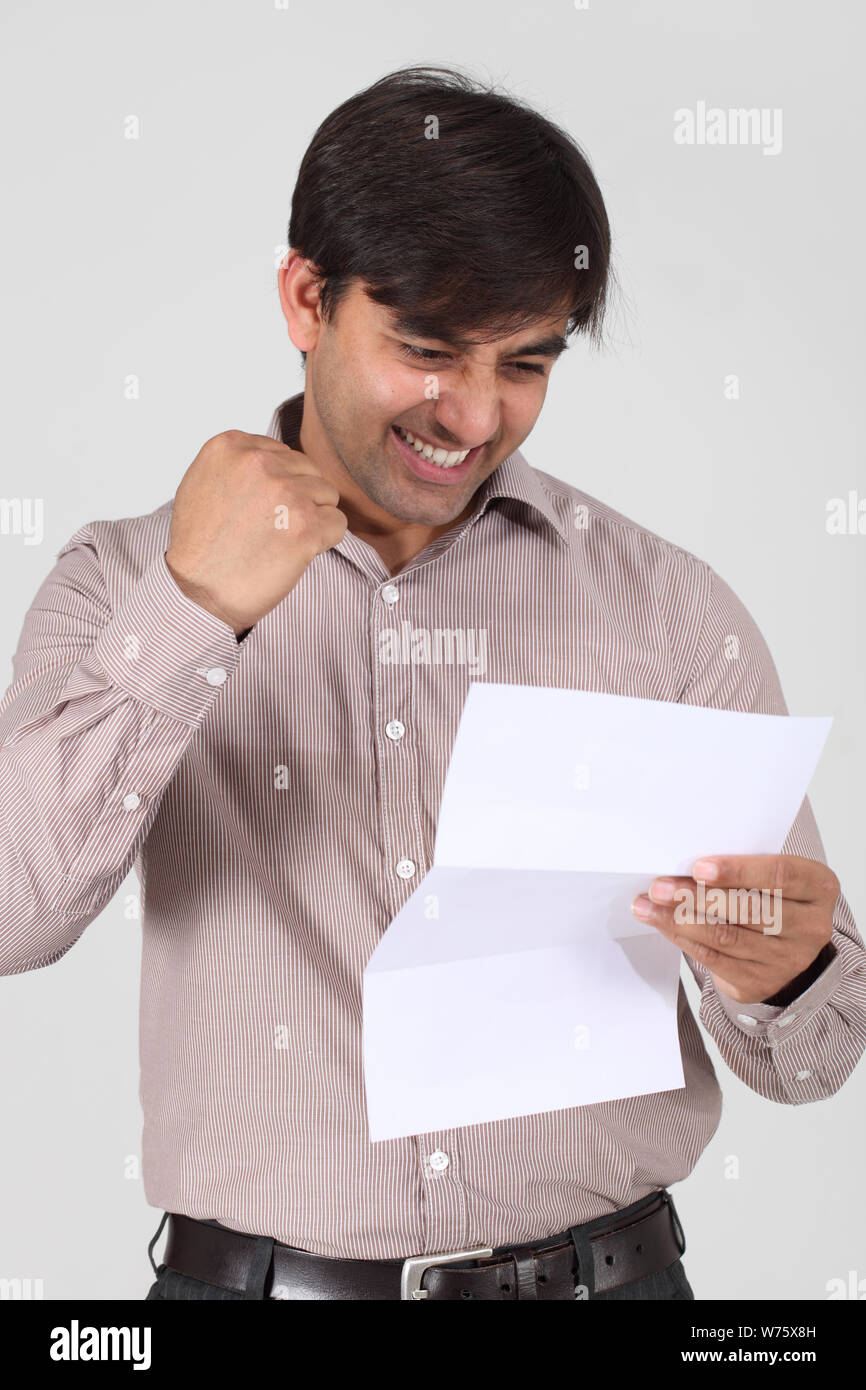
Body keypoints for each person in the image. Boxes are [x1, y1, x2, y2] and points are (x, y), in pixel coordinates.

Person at [1, 65, 863, 1303]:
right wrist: (191, 612)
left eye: (524, 361)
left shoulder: (663, 607)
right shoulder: (125, 580)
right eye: (427, 350)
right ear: (306, 296)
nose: (471, 412)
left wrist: (778, 969)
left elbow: (810, 1059)